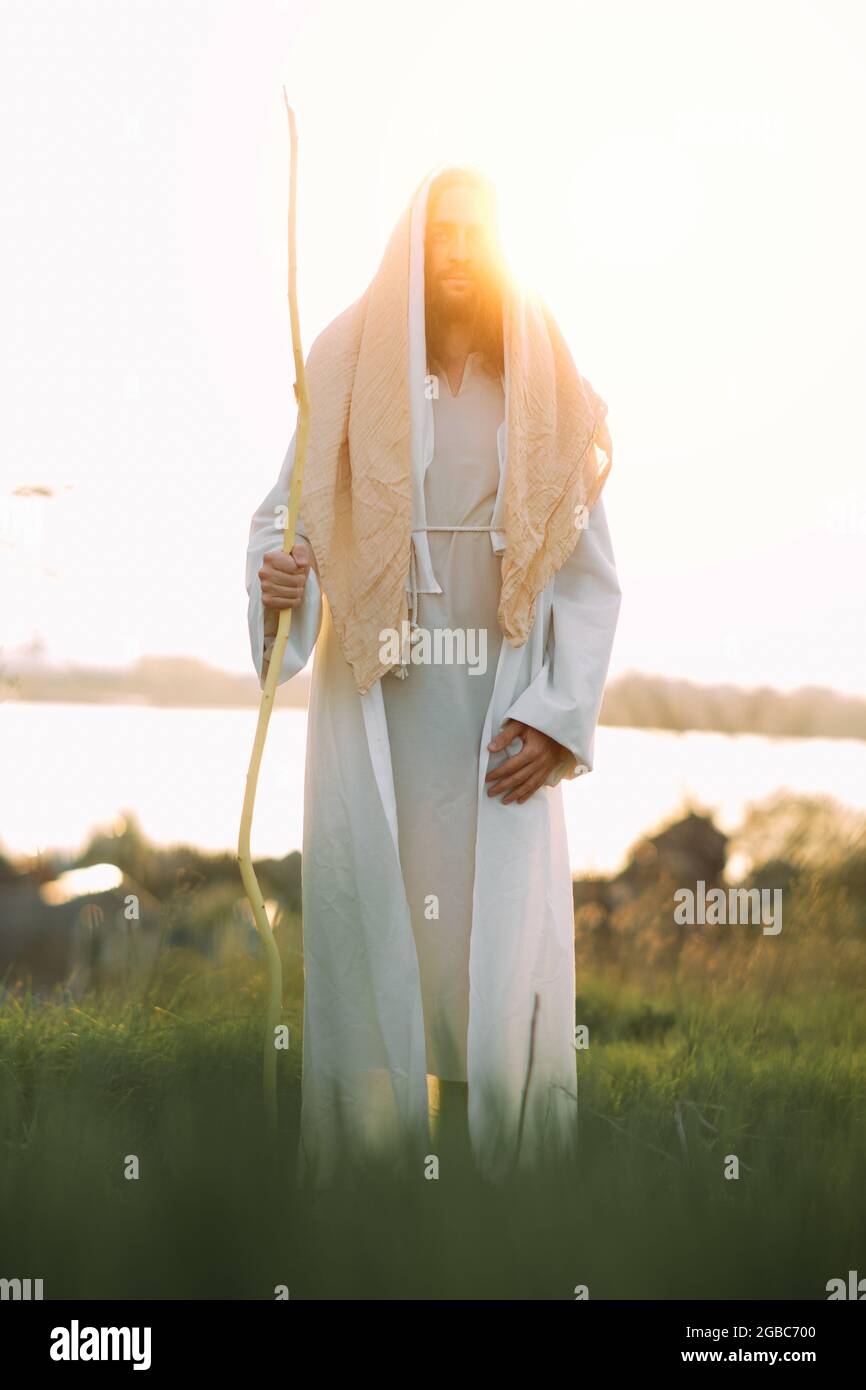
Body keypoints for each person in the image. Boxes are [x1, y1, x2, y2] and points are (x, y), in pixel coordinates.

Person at [245, 163, 621, 1186]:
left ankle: (497, 1179)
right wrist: (284, 580)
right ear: (412, 246)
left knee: (488, 946)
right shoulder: (348, 355)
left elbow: (589, 575)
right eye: (440, 232)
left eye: (476, 232)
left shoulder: (539, 377)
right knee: (383, 922)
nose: (458, 249)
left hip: (496, 699)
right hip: (380, 694)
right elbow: (286, 517)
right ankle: (372, 1177)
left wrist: (555, 717)